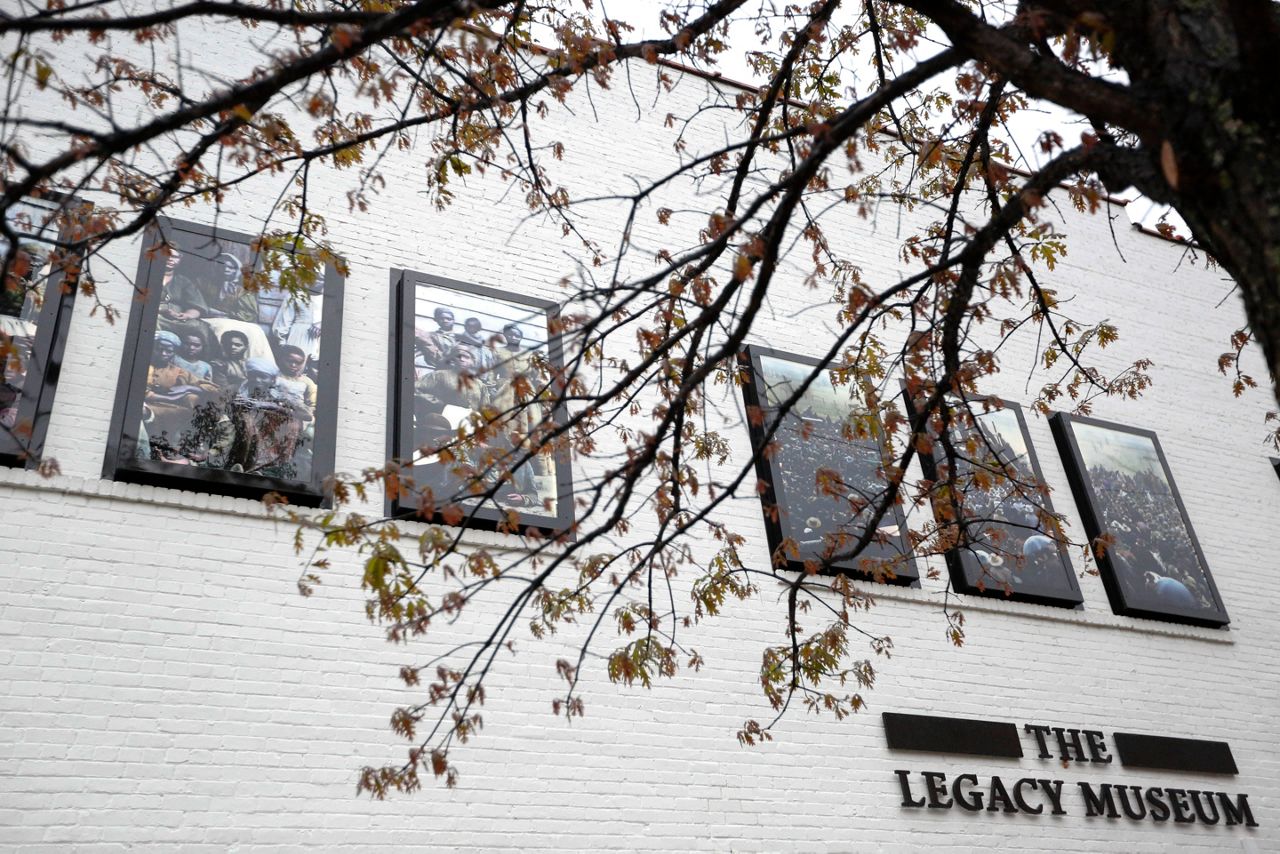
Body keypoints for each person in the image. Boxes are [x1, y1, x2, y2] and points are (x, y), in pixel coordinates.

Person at [226, 357, 312, 478]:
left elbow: (307, 415)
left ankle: (271, 468)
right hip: (246, 425)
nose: (257, 380)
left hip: (269, 428)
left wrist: (269, 406)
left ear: (272, 380)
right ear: (248, 375)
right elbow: (224, 407)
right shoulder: (237, 389)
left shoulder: (279, 393)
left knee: (292, 422)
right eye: (254, 375)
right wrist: (236, 404)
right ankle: (244, 465)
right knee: (247, 422)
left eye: (263, 377)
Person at [141, 330, 219, 460]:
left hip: (169, 408)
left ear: (174, 353)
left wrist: (188, 388)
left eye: (168, 351)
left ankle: (174, 452)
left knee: (192, 402)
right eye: (159, 350)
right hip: (148, 404)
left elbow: (213, 388)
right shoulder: (145, 365)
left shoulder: (177, 372)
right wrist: (169, 397)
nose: (163, 354)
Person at [275, 345, 318, 418]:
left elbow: (312, 405)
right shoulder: (273, 375)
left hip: (296, 418)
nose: (293, 365)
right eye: (289, 361)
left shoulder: (306, 382)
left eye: (298, 363)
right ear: (282, 359)